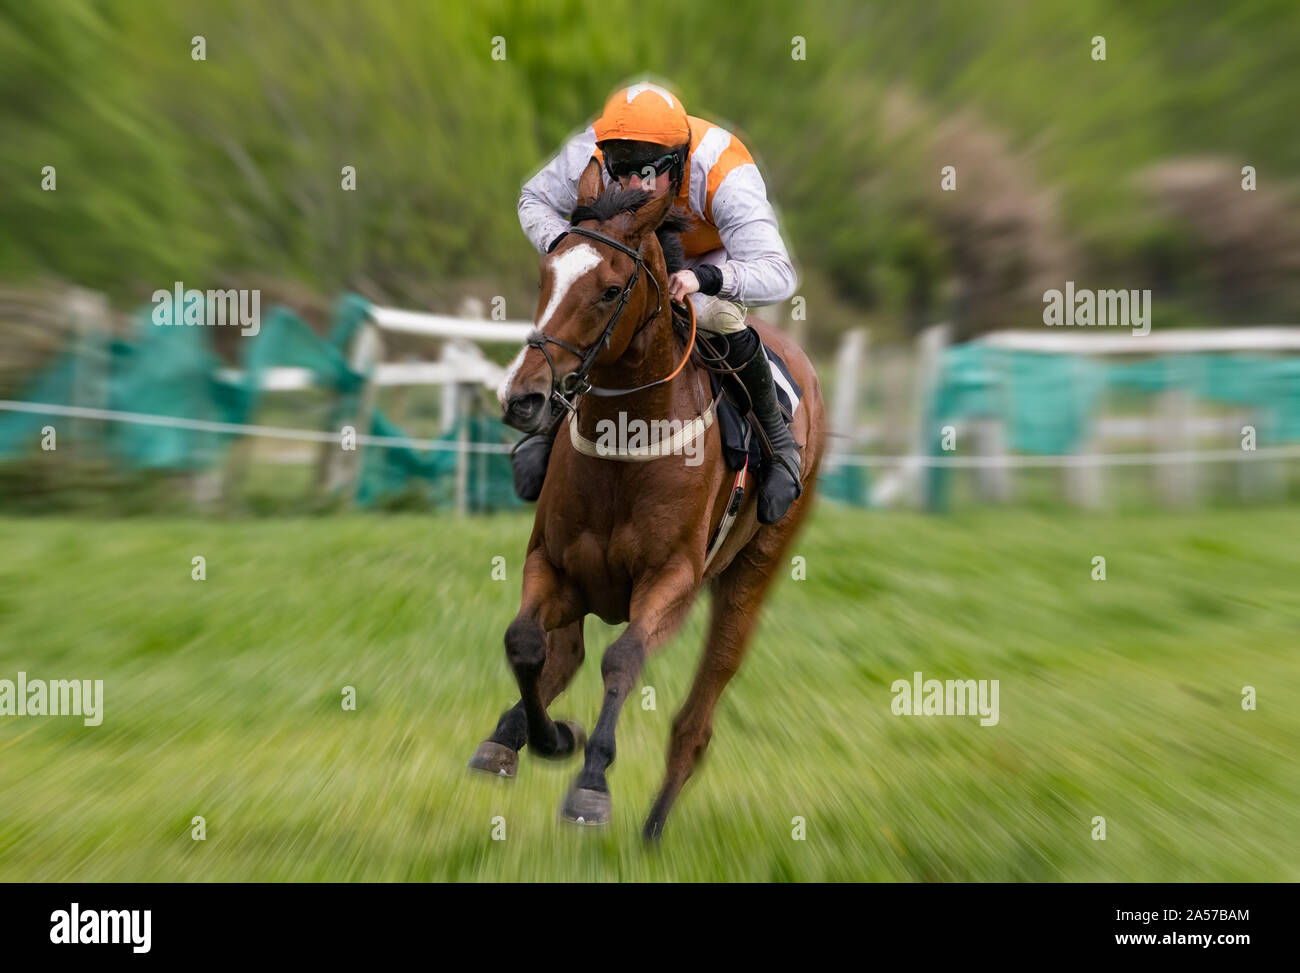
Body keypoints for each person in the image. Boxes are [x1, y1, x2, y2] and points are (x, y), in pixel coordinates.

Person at [516, 81, 801, 523]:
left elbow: (779, 275)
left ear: (680, 159)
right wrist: (574, 250)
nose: (633, 183)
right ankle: (551, 427)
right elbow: (532, 198)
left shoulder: (725, 171)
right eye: (620, 168)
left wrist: (704, 276)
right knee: (590, 306)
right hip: (623, 253)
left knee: (713, 314)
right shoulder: (588, 151)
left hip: (709, 256)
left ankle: (779, 444)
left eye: (647, 171)